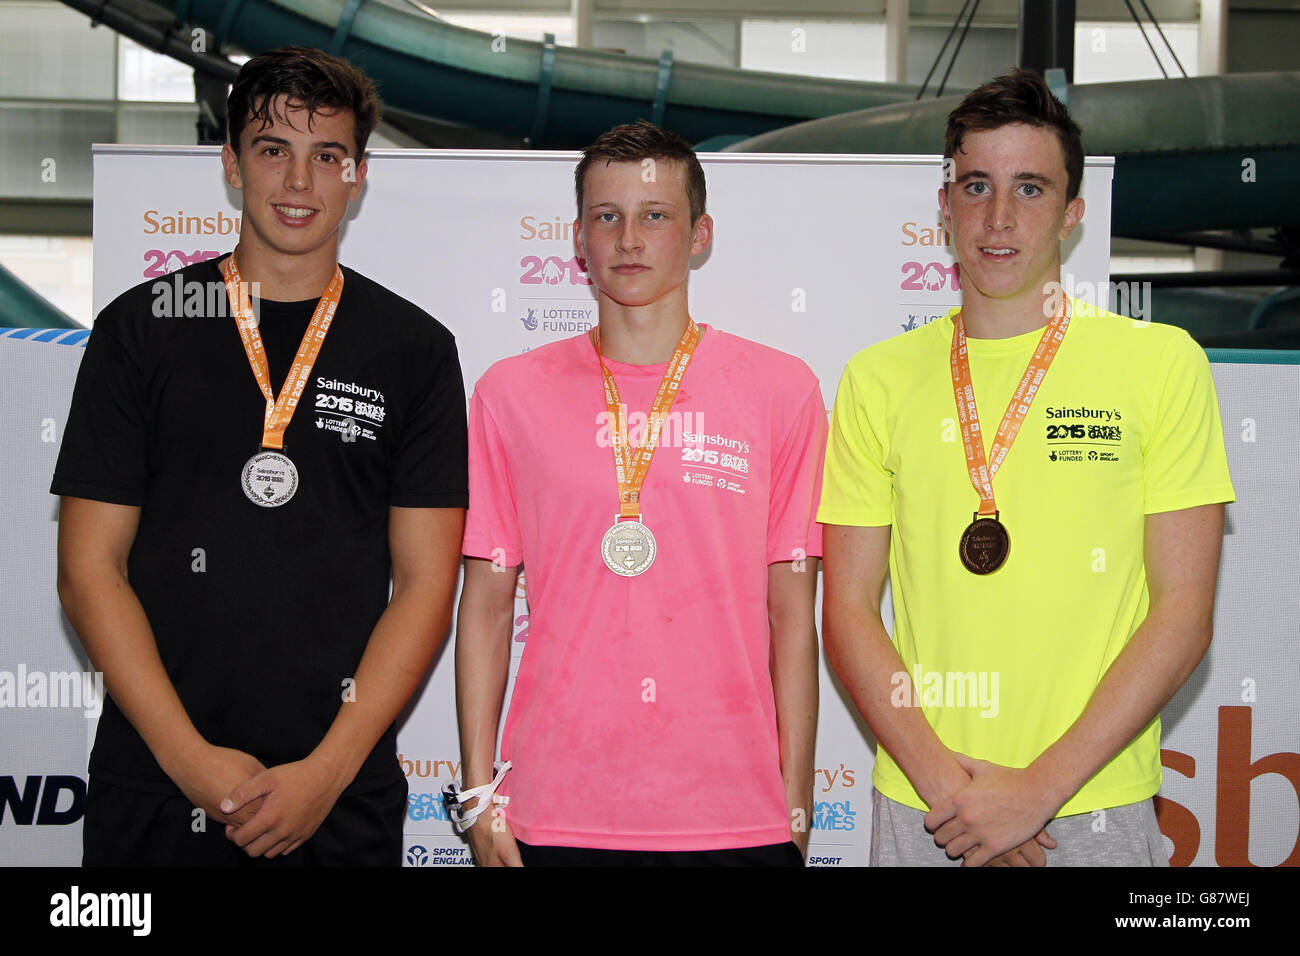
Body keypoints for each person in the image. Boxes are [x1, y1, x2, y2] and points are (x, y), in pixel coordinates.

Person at [52, 46, 468, 865]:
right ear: (232, 165)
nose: (299, 183)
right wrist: (188, 760)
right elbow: (88, 570)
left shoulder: (413, 349)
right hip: (156, 788)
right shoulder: (140, 331)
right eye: (273, 150)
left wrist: (327, 771)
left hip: (338, 796)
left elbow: (426, 585)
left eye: (328, 156)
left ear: (359, 176)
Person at [818, 69, 1235, 867]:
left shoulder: (1159, 363)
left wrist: (1036, 791)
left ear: (1073, 215)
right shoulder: (878, 377)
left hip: (1091, 804)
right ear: (944, 208)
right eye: (976, 185)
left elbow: (1184, 613)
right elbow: (846, 610)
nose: (999, 217)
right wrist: (956, 796)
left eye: (1031, 189)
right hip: (925, 803)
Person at [454, 120, 826, 866]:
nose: (629, 238)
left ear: (699, 235)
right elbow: (488, 606)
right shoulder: (509, 395)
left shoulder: (782, 391)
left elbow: (792, 613)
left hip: (738, 817)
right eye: (607, 216)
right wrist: (477, 796)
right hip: (553, 813)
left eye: (655, 215)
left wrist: (795, 796)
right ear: (578, 238)